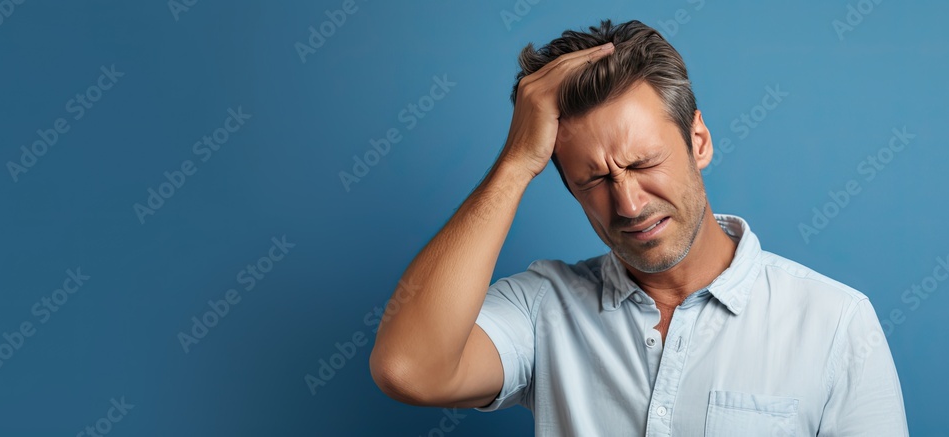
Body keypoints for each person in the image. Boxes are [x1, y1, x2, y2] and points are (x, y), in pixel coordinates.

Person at [368, 19, 908, 436]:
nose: (627, 203)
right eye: (594, 179)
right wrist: (514, 166)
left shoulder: (836, 323)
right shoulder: (543, 309)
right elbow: (408, 368)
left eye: (645, 163)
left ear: (698, 142)